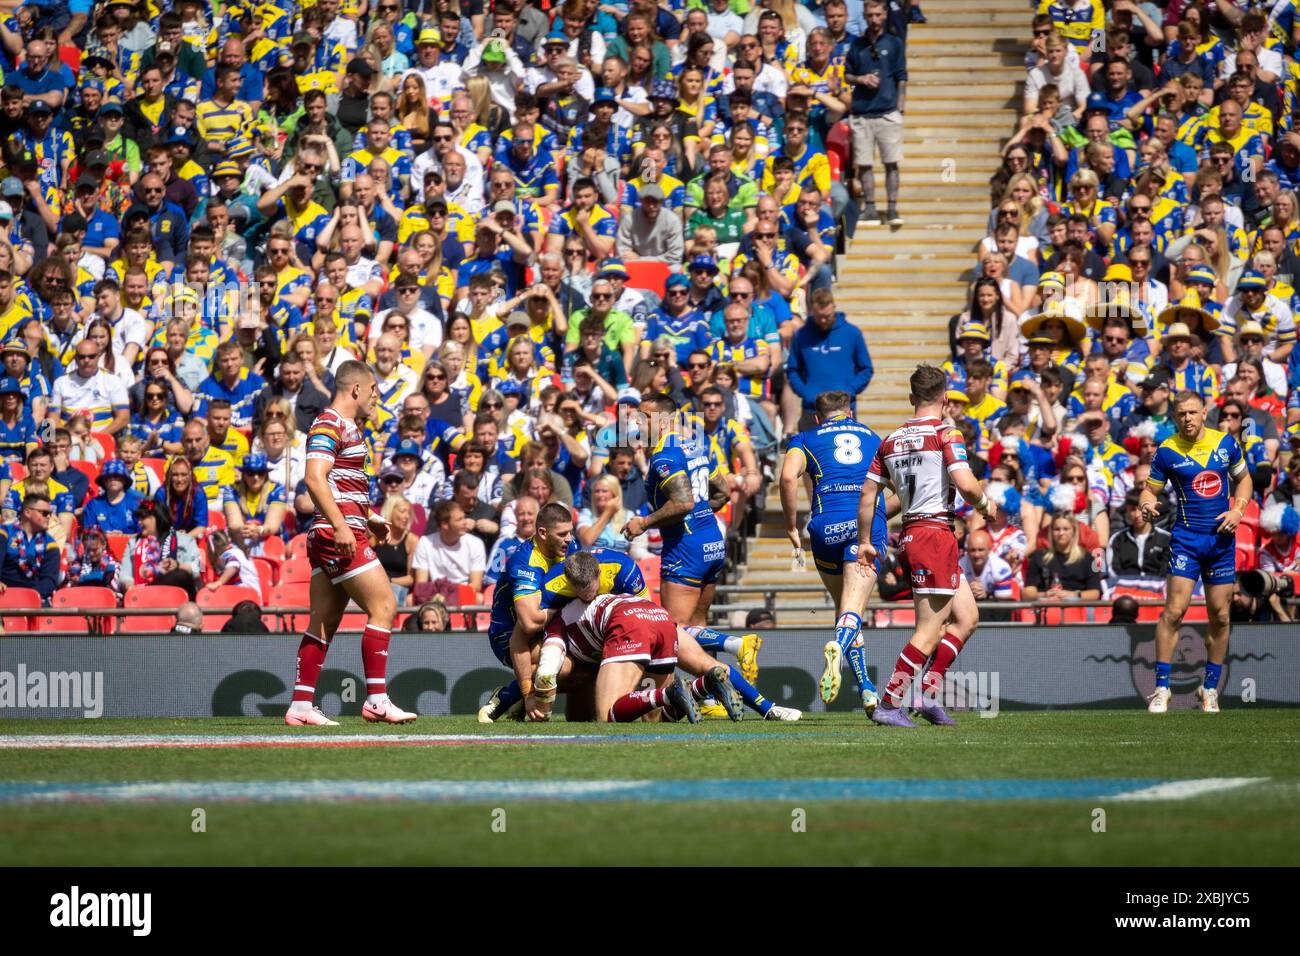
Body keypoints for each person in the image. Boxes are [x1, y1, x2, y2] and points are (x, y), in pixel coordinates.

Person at [857, 364, 993, 728]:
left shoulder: (890, 441)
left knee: (967, 618)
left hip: (918, 533)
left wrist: (865, 541)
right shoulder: (947, 433)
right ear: (946, 398)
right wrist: (986, 505)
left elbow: (868, 493)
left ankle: (928, 694)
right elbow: (965, 484)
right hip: (933, 533)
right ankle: (888, 703)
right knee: (929, 630)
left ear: (911, 398)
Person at [287, 359, 415, 727]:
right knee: (386, 605)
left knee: (323, 622)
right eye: (374, 389)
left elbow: (339, 482)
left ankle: (301, 705)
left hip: (335, 530)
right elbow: (314, 478)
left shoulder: (346, 428)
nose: (377, 396)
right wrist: (343, 526)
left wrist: (369, 514)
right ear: (356, 389)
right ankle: (377, 699)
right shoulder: (329, 422)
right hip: (337, 535)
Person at [1140, 391, 1252, 715]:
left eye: (1192, 412)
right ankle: (1162, 688)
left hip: (1220, 542)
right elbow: (1150, 489)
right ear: (1174, 417)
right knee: (1174, 611)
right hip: (1186, 540)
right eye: (1180, 414)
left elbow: (1244, 480)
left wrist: (1239, 510)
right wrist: (1147, 503)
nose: (1186, 419)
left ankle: (1210, 688)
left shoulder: (1226, 443)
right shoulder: (1167, 451)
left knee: (1220, 614)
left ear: (1204, 412)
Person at [780, 390, 888, 715]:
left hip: (825, 529)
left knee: (845, 612)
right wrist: (880, 512)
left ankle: (867, 691)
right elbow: (898, 489)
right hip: (864, 527)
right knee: (853, 611)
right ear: (850, 413)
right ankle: (837, 649)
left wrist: (791, 526)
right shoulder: (872, 437)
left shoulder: (805, 438)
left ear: (818, 417)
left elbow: (787, 477)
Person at [622, 391, 729, 625]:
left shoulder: (664, 455)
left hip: (684, 548)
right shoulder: (694, 446)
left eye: (645, 417)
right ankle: (722, 657)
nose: (638, 421)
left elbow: (682, 503)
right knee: (699, 626)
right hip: (712, 543)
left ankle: (735, 644)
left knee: (675, 629)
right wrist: (701, 510)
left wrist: (643, 523)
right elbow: (723, 493)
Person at [0, 493, 61, 603]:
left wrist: (27, 597)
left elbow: (49, 581)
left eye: (50, 514)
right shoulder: (5, 533)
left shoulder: (50, 544)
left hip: (31, 600)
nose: (48, 517)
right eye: (44, 513)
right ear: (27, 512)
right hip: (3, 595)